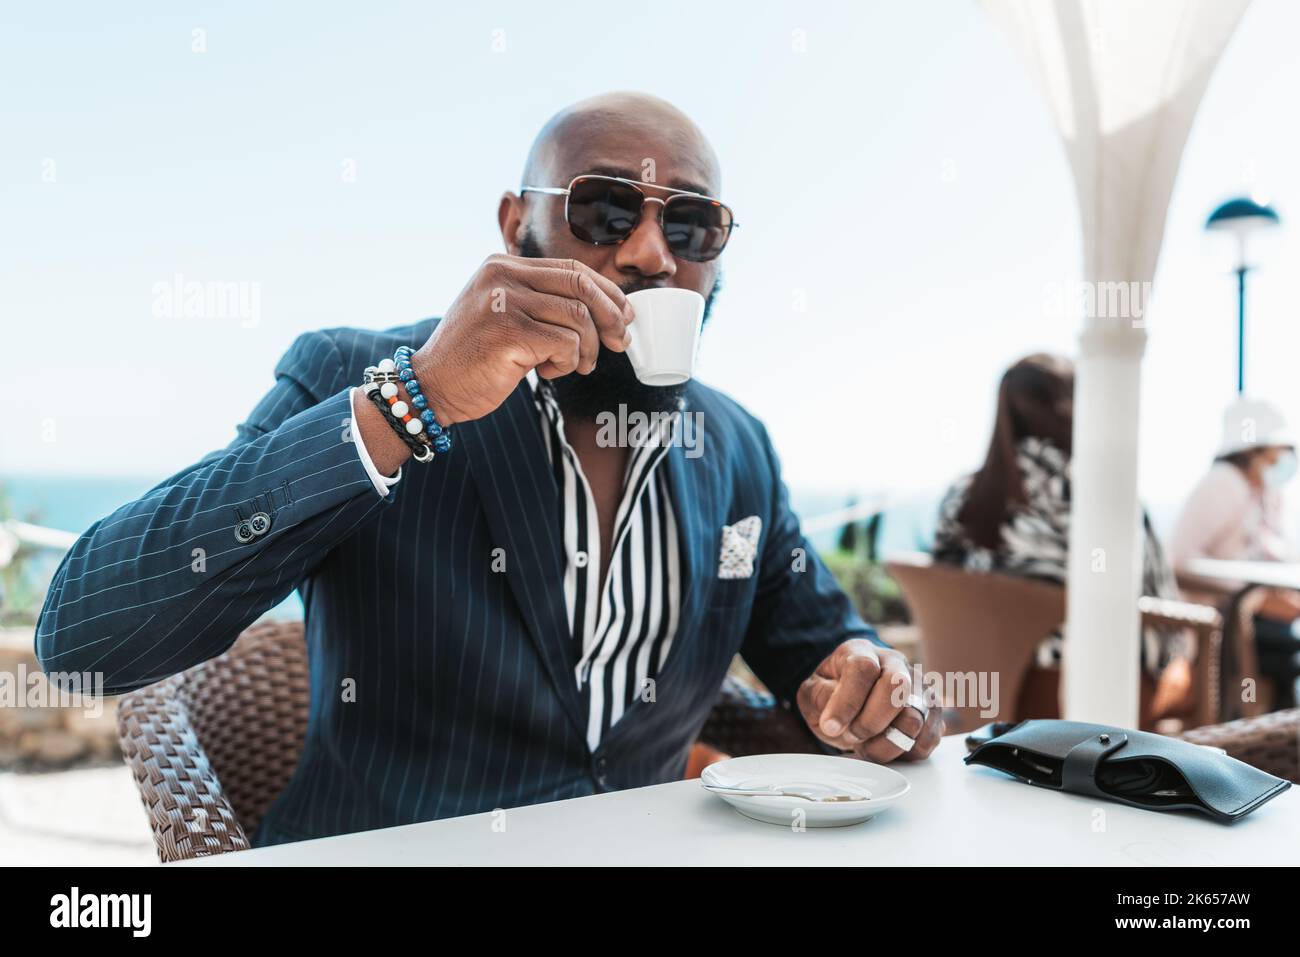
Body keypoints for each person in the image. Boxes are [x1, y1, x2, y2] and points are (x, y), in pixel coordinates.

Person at [34, 92, 942, 847]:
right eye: (606, 210)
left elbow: (830, 653)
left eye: (692, 224)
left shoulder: (736, 449)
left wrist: (877, 695)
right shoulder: (358, 376)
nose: (649, 254)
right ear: (518, 224)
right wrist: (414, 401)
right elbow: (83, 640)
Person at [933, 353, 1194, 720]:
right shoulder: (1101, 491)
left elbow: (943, 581)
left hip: (978, 688)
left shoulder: (962, 495)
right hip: (1089, 694)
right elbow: (1157, 596)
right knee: (1193, 668)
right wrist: (1182, 652)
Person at [1170, 397, 1300, 707]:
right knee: (1282, 654)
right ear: (1252, 453)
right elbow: (1179, 559)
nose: (1286, 460)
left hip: (1257, 619)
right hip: (1225, 624)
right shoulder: (1222, 486)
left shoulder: (1267, 495)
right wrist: (1254, 596)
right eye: (1278, 452)